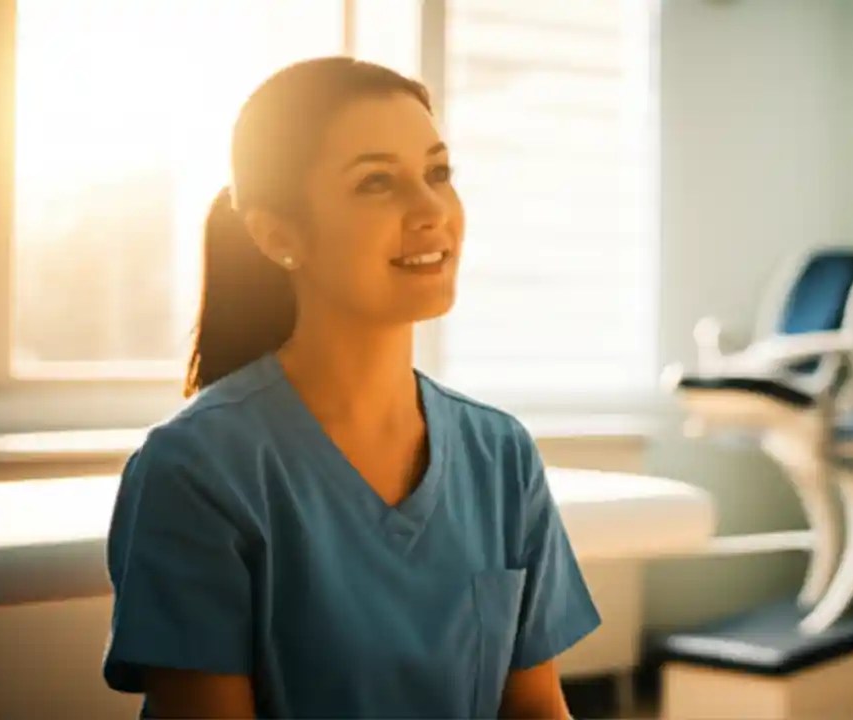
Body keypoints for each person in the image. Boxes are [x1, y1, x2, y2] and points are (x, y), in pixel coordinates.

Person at [102, 57, 599, 719]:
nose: (430, 210)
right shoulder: (196, 469)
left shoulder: (501, 454)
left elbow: (535, 707)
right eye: (375, 183)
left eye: (438, 173)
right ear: (278, 233)